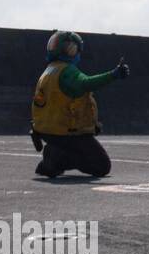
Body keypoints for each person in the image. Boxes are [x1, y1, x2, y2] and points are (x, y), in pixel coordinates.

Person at [30, 31, 129, 179]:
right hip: (66, 132)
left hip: (46, 130)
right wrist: (114, 74)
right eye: (70, 48)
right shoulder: (67, 72)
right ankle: (55, 158)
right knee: (101, 166)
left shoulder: (49, 71)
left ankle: (55, 153)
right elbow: (86, 83)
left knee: (85, 152)